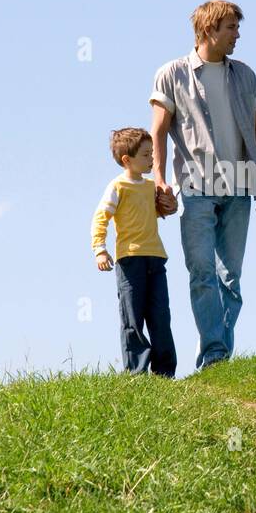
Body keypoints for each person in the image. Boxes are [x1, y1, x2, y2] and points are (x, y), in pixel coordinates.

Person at [148, 0, 256, 371]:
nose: (237, 35)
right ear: (209, 31)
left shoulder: (245, 75)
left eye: (237, 27)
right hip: (195, 185)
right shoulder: (171, 73)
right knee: (202, 271)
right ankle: (216, 353)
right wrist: (158, 178)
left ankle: (219, 359)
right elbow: (157, 132)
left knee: (230, 277)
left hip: (240, 184)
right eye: (231, 28)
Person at [90, 127, 177, 378]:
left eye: (152, 154)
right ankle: (136, 372)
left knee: (160, 316)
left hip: (156, 258)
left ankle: (164, 372)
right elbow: (100, 218)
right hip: (129, 261)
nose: (152, 159)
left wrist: (168, 206)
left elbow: (159, 212)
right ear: (127, 160)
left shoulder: (151, 187)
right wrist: (100, 250)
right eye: (146, 155)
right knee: (132, 317)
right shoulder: (117, 187)